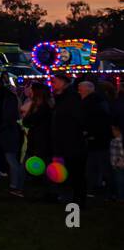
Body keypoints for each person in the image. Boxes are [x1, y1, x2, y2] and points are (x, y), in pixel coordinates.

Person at [49, 71, 87, 205]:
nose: (52, 84)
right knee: (66, 172)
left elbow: (77, 119)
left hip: (72, 141)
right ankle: (69, 197)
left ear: (63, 82)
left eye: (55, 81)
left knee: (75, 172)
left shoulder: (71, 98)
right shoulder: (60, 98)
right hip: (63, 141)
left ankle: (77, 199)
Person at [20, 81, 54, 198]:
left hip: (41, 142)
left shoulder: (43, 108)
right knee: (36, 167)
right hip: (38, 141)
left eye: (32, 90)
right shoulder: (41, 106)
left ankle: (43, 192)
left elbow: (28, 120)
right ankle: (40, 192)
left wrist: (29, 119)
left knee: (36, 167)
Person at [79, 78, 112, 197]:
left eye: (81, 89)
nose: (79, 92)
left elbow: (94, 120)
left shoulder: (90, 103)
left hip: (96, 138)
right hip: (100, 137)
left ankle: (98, 188)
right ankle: (101, 187)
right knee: (99, 164)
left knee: (96, 164)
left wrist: (88, 133)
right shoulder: (100, 101)